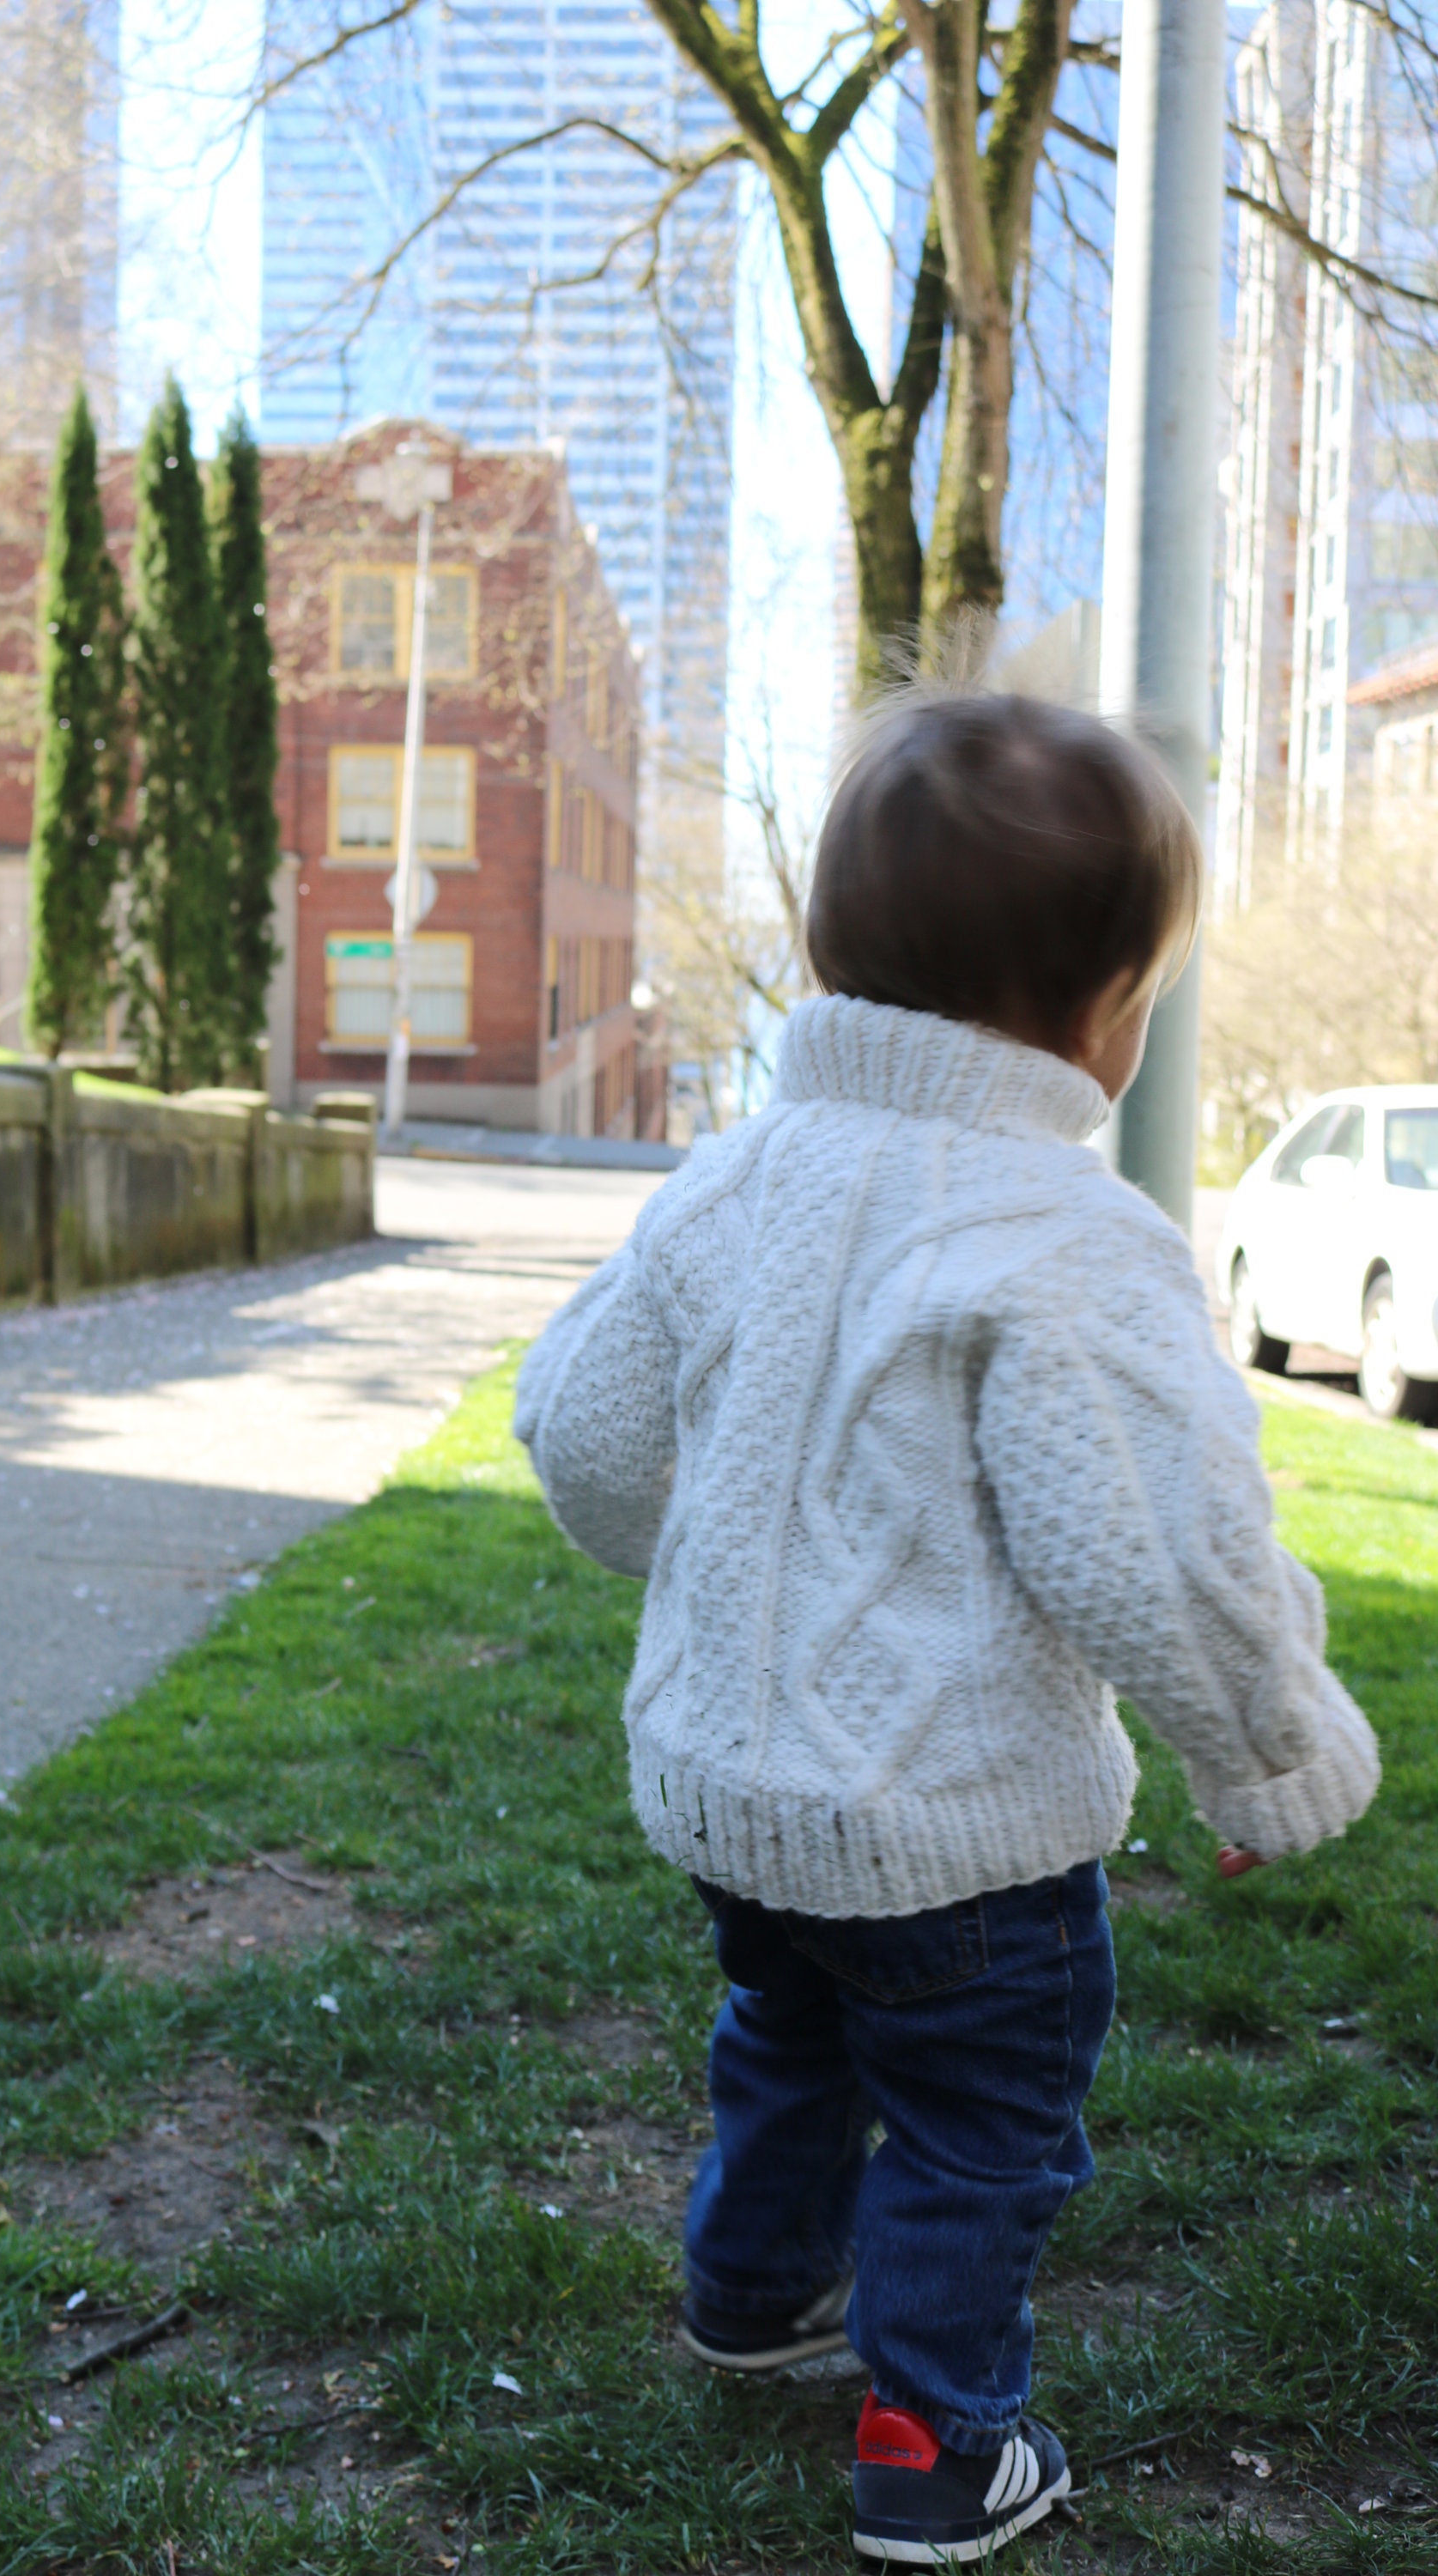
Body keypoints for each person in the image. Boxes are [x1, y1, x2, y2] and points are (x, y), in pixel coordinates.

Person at [513, 690, 1379, 2567]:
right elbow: (1157, 1549)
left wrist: (700, 1562)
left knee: (788, 2036)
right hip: (962, 1832)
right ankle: (934, 2432)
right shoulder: (1067, 1242)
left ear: (832, 951)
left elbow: (579, 1434)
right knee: (985, 2125)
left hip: (734, 1799)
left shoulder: (727, 1180)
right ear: (1106, 1018)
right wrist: (1269, 1749)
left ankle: (750, 2300)